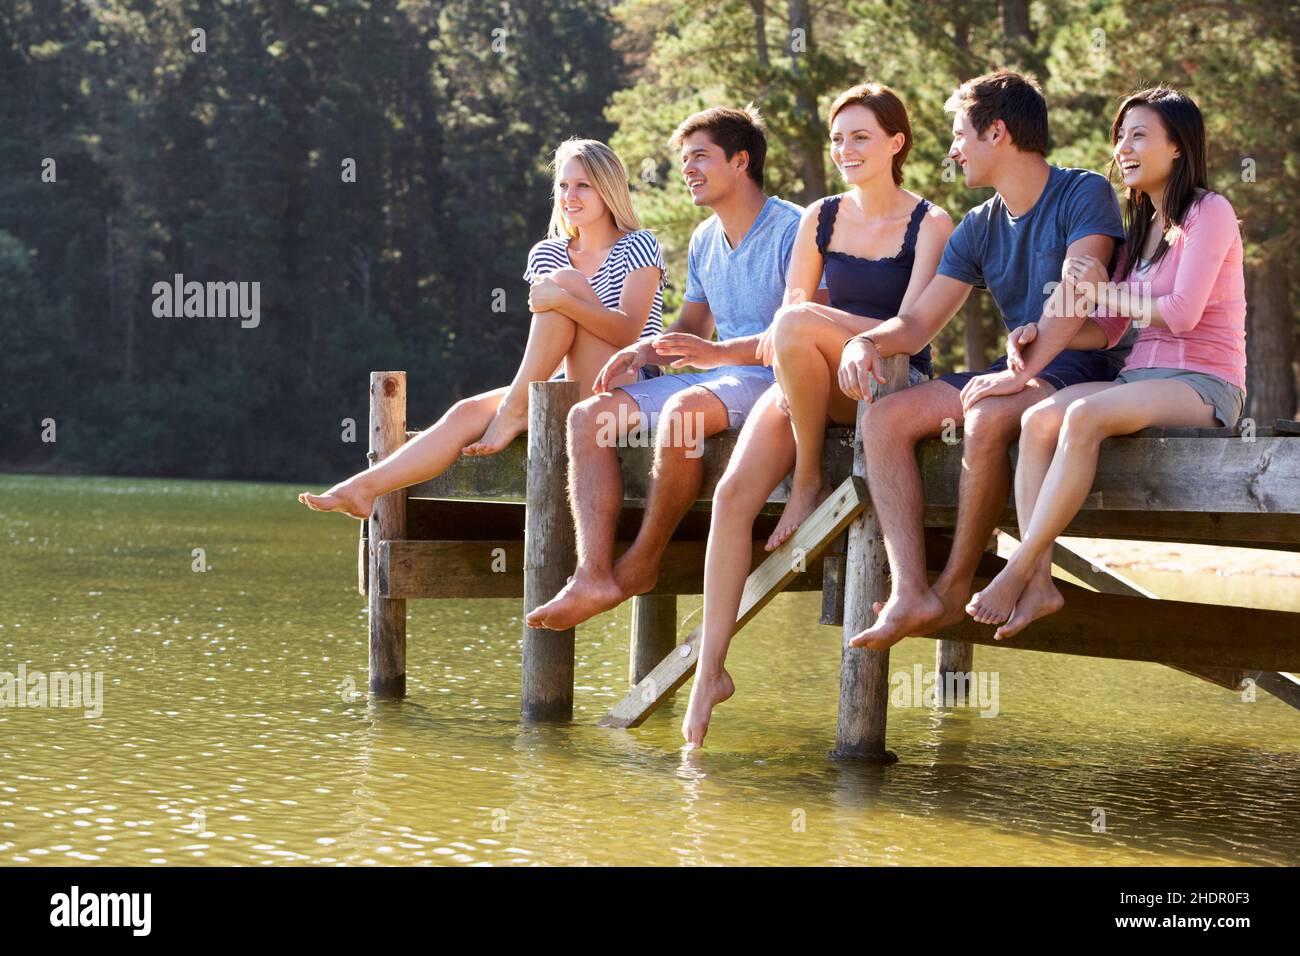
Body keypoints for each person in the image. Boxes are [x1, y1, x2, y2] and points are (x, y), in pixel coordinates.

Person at [680, 83, 953, 748]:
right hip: (811, 374)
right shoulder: (821, 218)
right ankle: (709, 673)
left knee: (803, 323)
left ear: (896, 142)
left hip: (887, 379)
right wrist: (827, 332)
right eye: (838, 139)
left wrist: (854, 336)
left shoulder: (932, 223)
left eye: (861, 136)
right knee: (731, 498)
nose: (846, 150)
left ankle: (806, 484)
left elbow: (911, 331)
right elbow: (788, 329)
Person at [835, 70, 1130, 651]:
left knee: (989, 415)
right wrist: (865, 342)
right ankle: (909, 591)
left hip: (1088, 368)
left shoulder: (1083, 191)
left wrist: (1014, 374)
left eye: (959, 134)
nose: (952, 150)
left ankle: (952, 589)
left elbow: (1076, 294)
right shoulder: (977, 226)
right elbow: (919, 321)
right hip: (1022, 366)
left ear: (997, 132)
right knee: (882, 420)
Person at [526, 105, 824, 631]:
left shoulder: (794, 229)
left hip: (780, 383)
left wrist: (715, 355)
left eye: (700, 157)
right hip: (719, 378)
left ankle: (642, 560)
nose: (688, 169)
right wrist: (642, 352)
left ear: (740, 161)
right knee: (586, 418)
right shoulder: (704, 238)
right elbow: (691, 326)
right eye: (684, 159)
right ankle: (592, 573)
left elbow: (805, 332)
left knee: (684, 410)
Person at [964, 87, 1246, 638]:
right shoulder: (1141, 226)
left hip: (1203, 382)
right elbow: (1110, 330)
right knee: (1037, 418)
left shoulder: (1210, 212)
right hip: (1139, 377)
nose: (1123, 146)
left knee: (1081, 416)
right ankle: (1042, 584)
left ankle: (1016, 567)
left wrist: (1101, 293)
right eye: (1120, 135)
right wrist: (1038, 333)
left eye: (1139, 134)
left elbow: (1183, 314)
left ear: (1179, 148)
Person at [297, 138, 666, 520]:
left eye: (583, 185)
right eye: (563, 185)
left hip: (629, 384)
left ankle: (516, 408)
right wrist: (560, 300)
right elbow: (554, 333)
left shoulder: (638, 244)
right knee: (465, 412)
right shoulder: (547, 253)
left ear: (608, 188)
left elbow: (627, 334)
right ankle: (363, 488)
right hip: (563, 385)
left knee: (566, 284)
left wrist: (564, 298)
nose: (570, 195)